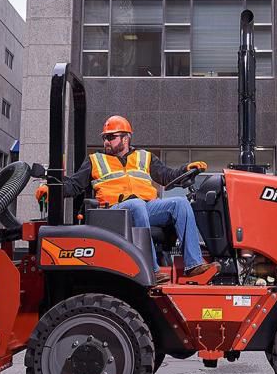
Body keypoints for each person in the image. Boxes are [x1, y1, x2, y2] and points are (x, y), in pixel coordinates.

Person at [37, 115, 211, 276]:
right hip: (114, 212)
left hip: (146, 207)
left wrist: (186, 169)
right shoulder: (95, 160)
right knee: (136, 205)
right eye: (105, 137)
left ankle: (193, 264)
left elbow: (167, 176)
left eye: (111, 137)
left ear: (126, 138)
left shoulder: (145, 157)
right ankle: (151, 269)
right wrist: (53, 188)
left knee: (180, 203)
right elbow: (74, 185)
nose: (106, 141)